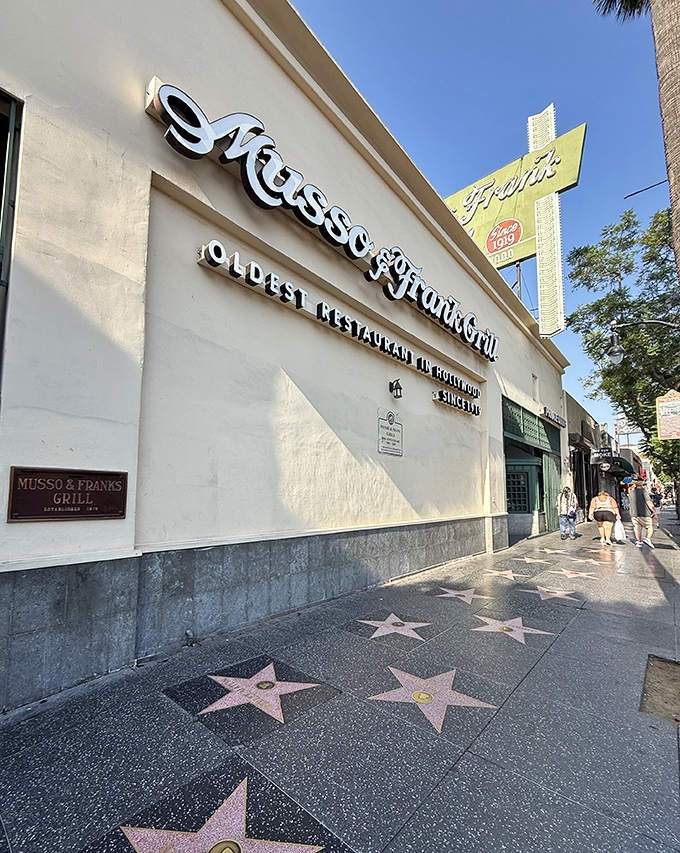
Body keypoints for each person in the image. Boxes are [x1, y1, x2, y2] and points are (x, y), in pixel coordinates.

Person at [629, 478, 657, 548]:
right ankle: (647, 539)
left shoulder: (631, 492)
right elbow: (649, 502)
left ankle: (639, 541)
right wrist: (654, 511)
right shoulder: (644, 492)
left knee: (637, 528)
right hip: (644, 513)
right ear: (642, 485)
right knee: (649, 527)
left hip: (634, 513)